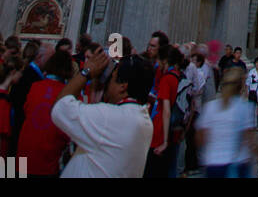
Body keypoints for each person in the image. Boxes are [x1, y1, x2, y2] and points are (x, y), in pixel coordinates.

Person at [51, 47, 153, 178]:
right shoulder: (143, 120)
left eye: (113, 77)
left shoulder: (110, 118)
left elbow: (60, 107)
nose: (108, 82)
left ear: (123, 86)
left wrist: (86, 72)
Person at [17, 48, 74, 177]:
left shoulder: (35, 86)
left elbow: (27, 110)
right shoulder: (68, 93)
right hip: (49, 154)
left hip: (24, 152)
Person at [194, 65, 257, 177]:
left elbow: (200, 137)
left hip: (213, 162)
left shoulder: (210, 107)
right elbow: (250, 139)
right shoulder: (245, 108)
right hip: (237, 163)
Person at [145, 44, 180, 177]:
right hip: (170, 130)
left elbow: (166, 110)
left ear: (164, 60)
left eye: (159, 60)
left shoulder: (166, 79)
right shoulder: (177, 76)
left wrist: (164, 141)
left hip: (159, 131)